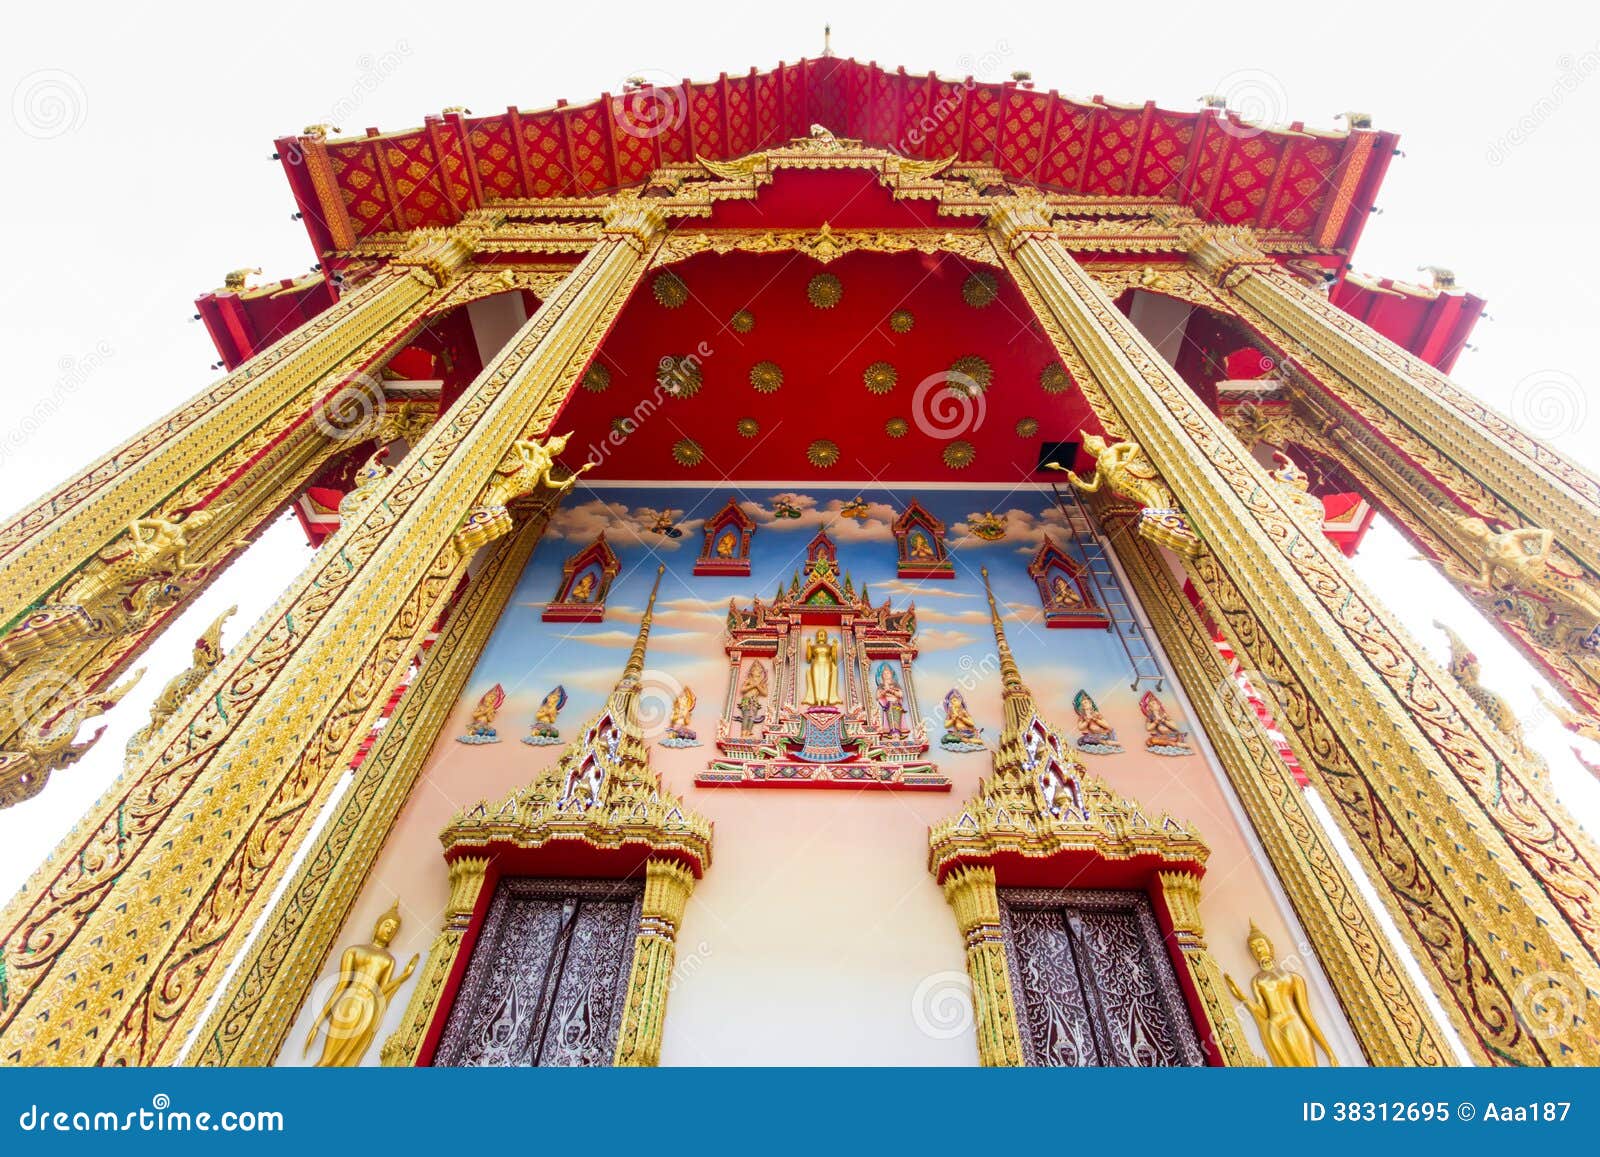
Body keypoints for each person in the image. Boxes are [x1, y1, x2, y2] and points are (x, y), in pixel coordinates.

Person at [303, 903, 417, 1067]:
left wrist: (403, 977)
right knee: (326, 1060)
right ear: (377, 925)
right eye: (387, 925)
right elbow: (340, 988)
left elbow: (380, 992)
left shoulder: (388, 960)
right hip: (348, 1004)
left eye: (394, 928)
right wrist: (317, 1024)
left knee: (343, 1062)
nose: (390, 930)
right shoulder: (354, 951)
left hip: (366, 1011)